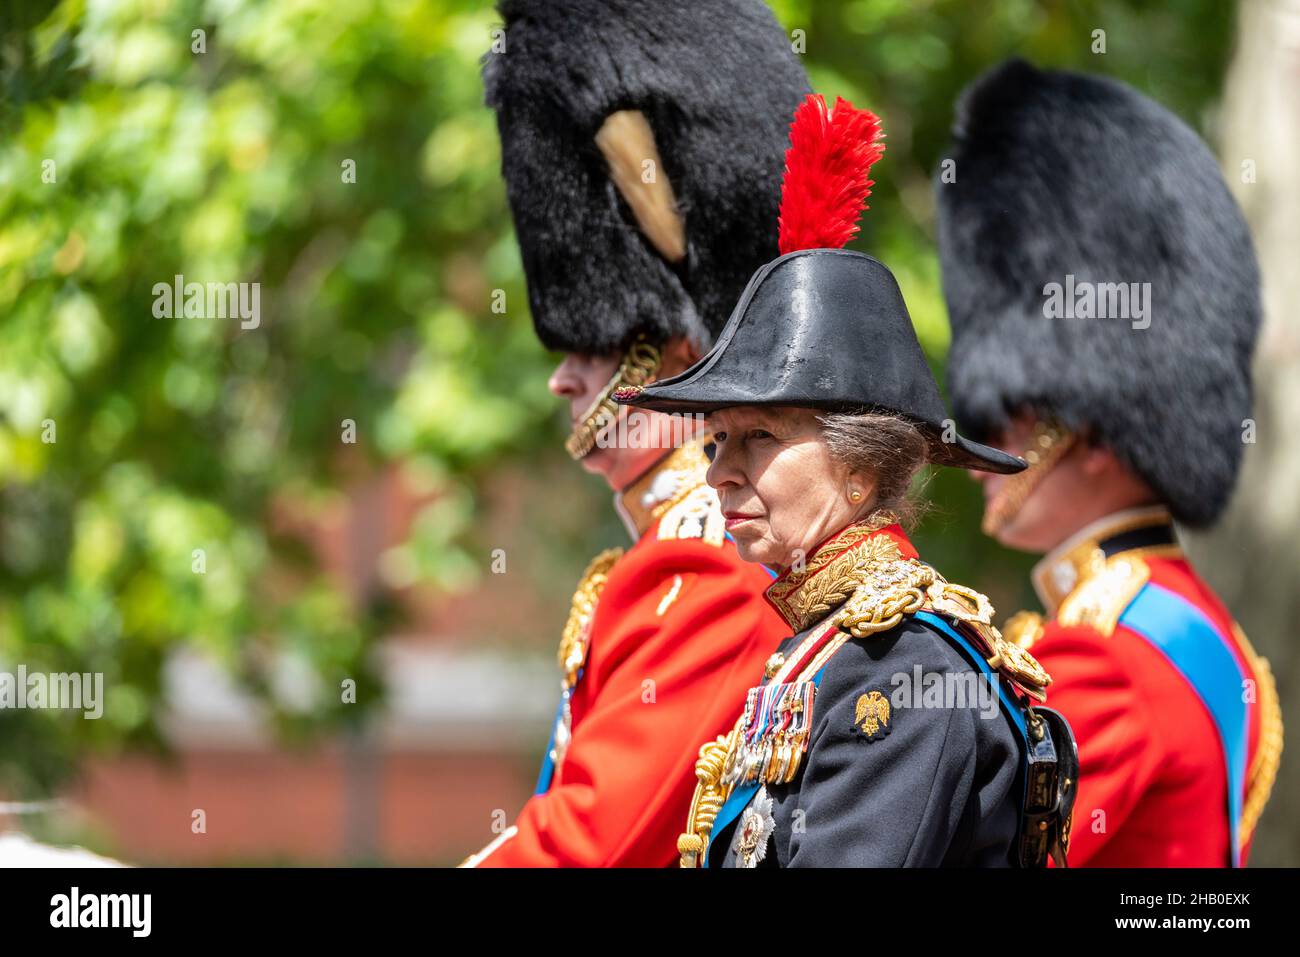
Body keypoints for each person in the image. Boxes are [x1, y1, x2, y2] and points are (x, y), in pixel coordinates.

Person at [616, 93, 1075, 868]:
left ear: (862, 468)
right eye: (716, 441)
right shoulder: (823, 652)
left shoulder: (904, 667)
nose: (721, 473)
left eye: (759, 437)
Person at [460, 0, 809, 867]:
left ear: (681, 349)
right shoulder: (663, 564)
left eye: (595, 339)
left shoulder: (717, 573)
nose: (562, 375)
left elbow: (588, 847)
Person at [935, 59, 1283, 866]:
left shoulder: (1101, 657)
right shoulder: (1186, 623)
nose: (978, 443)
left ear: (1088, 432)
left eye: (1003, 412)